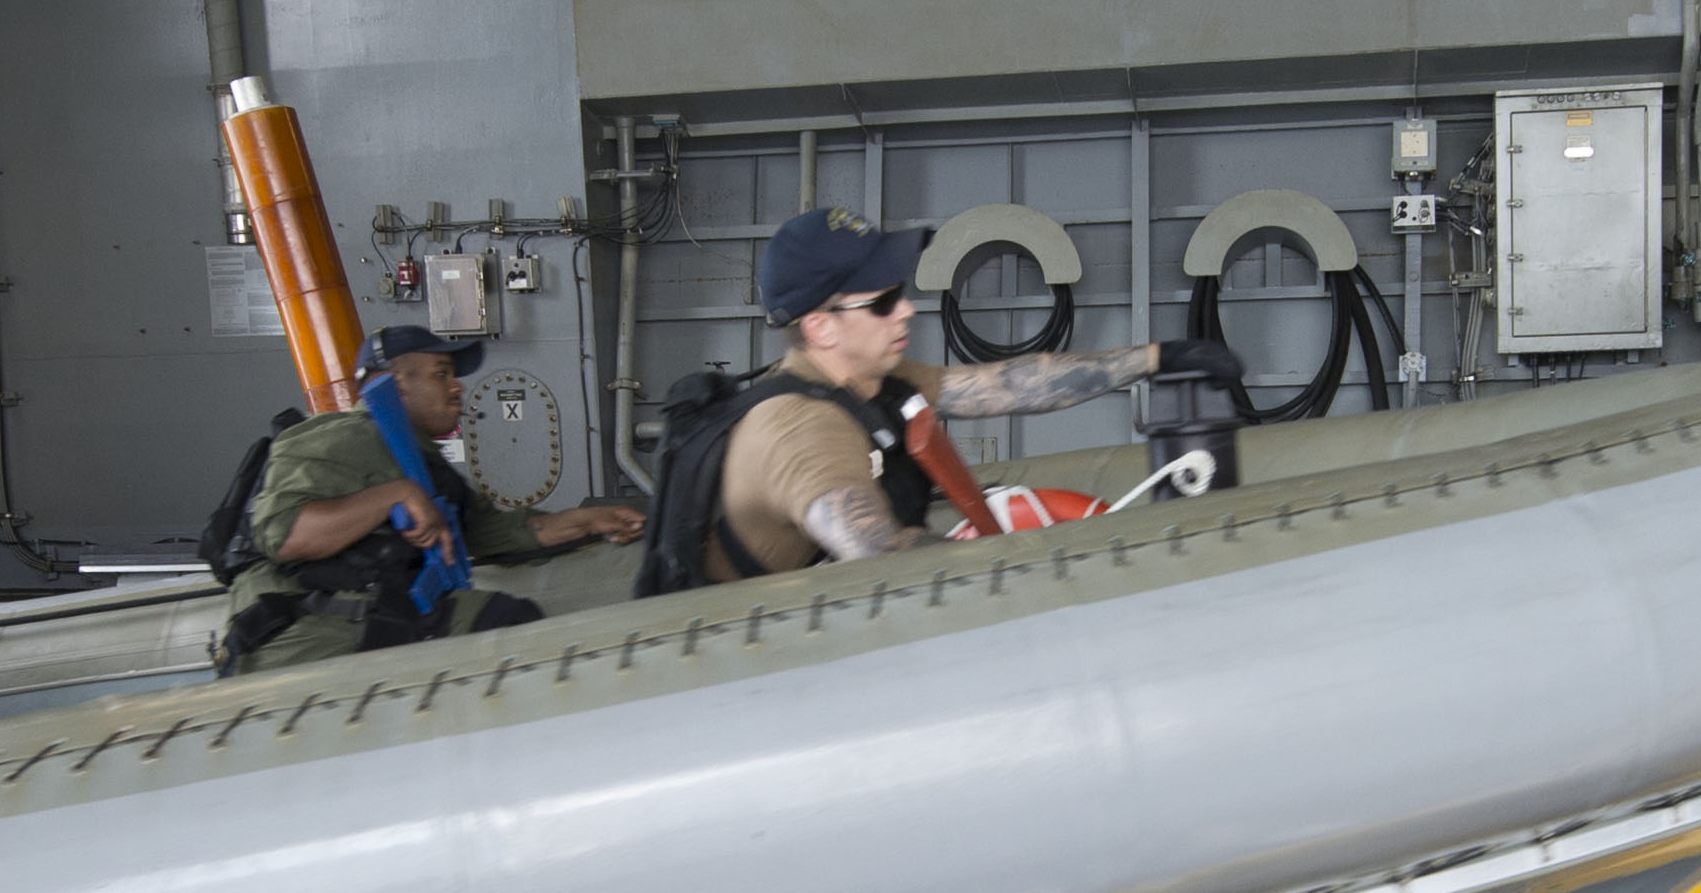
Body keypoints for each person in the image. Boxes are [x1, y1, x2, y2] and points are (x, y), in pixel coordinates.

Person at [692, 207, 1241, 577]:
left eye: (899, 293)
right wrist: (1024, 562)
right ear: (821, 328)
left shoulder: (866, 381)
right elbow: (882, 560)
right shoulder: (802, 429)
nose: (906, 309)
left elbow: (1005, 387)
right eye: (882, 302)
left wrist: (1154, 358)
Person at [218, 326, 645, 671]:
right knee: (502, 626)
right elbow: (285, 533)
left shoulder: (421, 460)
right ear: (395, 383)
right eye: (441, 373)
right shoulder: (343, 436)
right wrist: (396, 495)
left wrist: (590, 521)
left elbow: (493, 533)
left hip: (372, 612)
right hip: (299, 632)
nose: (458, 388)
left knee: (500, 619)